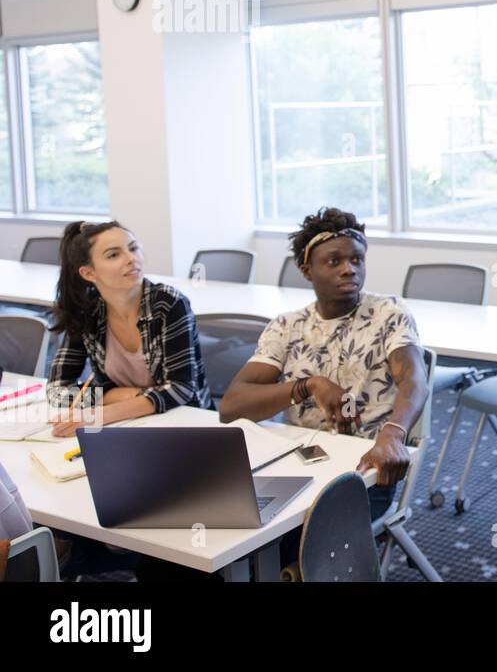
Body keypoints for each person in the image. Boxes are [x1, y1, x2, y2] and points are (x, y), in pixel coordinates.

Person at [219, 207, 429, 526]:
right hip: (296, 464)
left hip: (365, 468)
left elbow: (414, 378)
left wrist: (393, 434)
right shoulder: (287, 327)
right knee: (230, 520)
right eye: (335, 261)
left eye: (356, 260)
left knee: (291, 536)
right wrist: (308, 386)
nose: (349, 269)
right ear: (307, 270)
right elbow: (231, 407)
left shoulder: (388, 313)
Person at [46, 220, 211, 433]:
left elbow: (181, 389)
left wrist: (100, 414)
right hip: (126, 425)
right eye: (114, 255)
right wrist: (118, 395)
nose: (131, 259)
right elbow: (57, 391)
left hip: (185, 423)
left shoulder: (168, 303)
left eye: (133, 248)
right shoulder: (87, 311)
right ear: (89, 273)